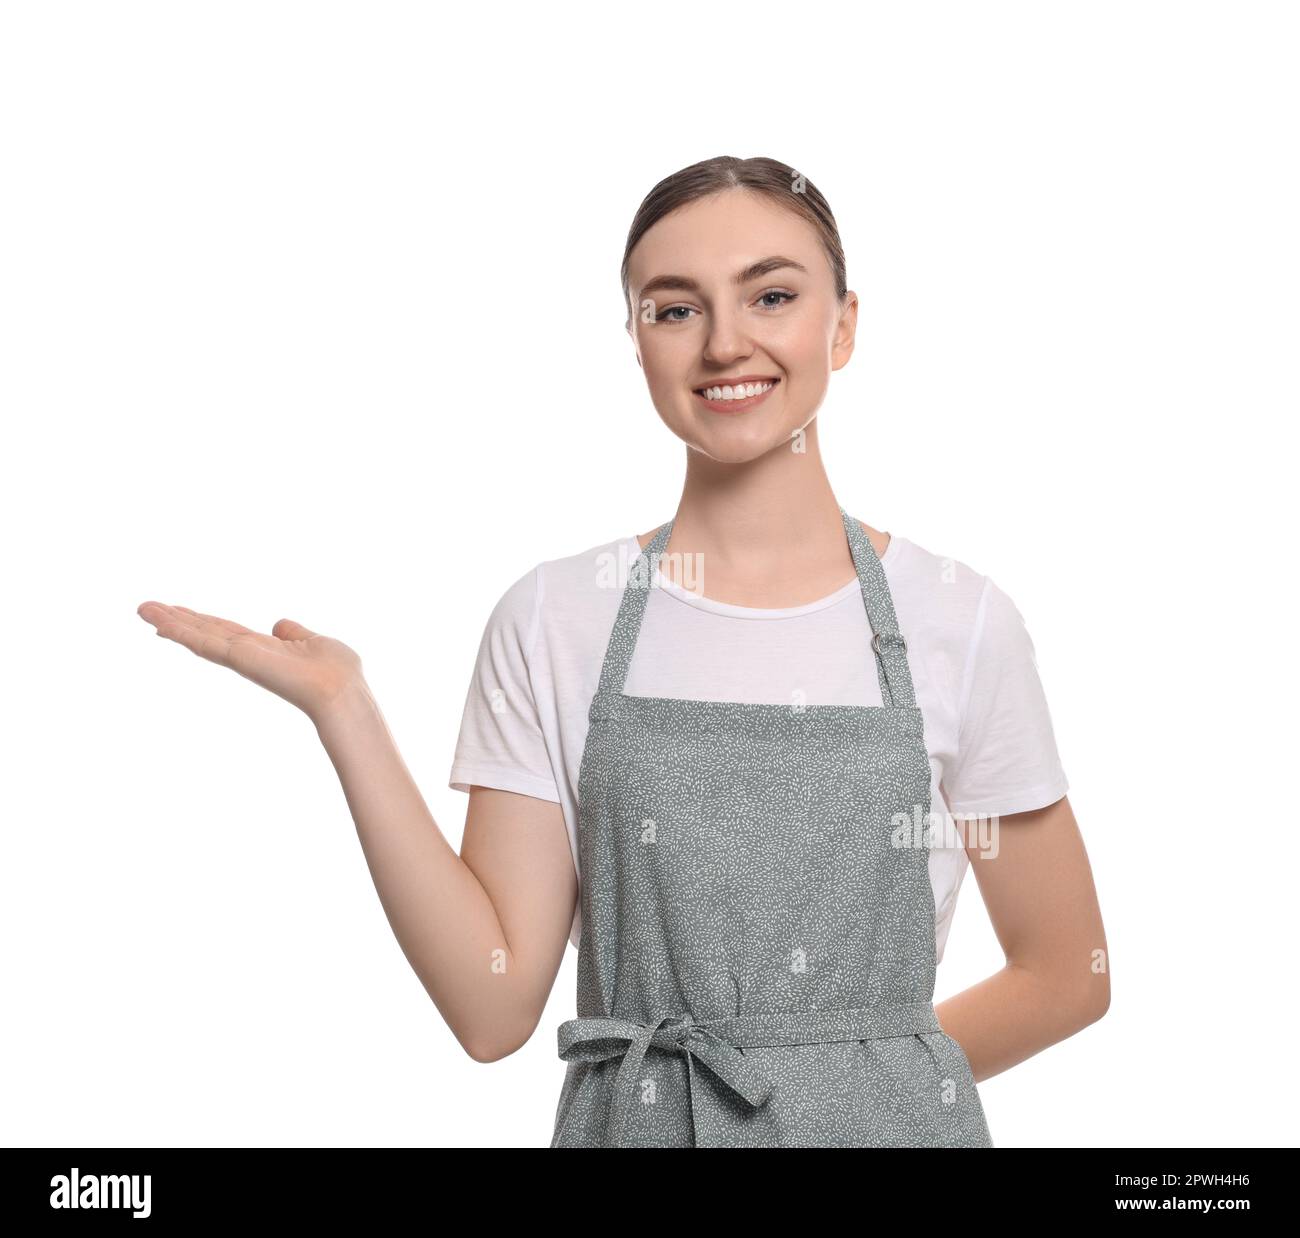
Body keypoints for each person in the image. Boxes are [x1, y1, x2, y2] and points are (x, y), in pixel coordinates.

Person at [138, 154, 1109, 1148]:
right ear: (636, 341)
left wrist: (829, 1084)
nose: (726, 342)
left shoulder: (961, 621)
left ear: (843, 324)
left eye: (771, 294)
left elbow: (1065, 969)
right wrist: (346, 712)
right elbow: (492, 1007)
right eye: (674, 308)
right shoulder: (554, 618)